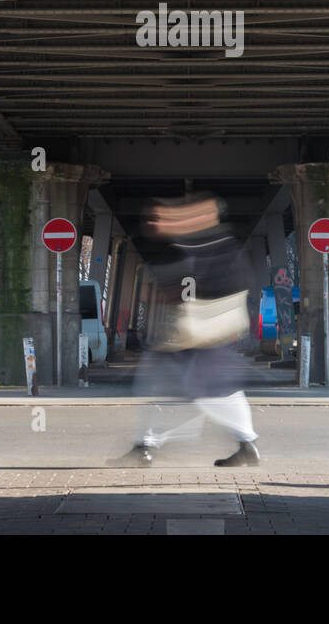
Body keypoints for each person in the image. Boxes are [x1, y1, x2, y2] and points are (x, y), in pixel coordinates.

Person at [114, 193, 261, 467]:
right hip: (203, 334)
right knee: (215, 390)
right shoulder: (211, 245)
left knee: (171, 387)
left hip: (198, 334)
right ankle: (246, 443)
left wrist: (182, 297)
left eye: (159, 218)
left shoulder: (205, 245)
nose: (155, 223)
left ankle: (145, 446)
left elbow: (189, 284)